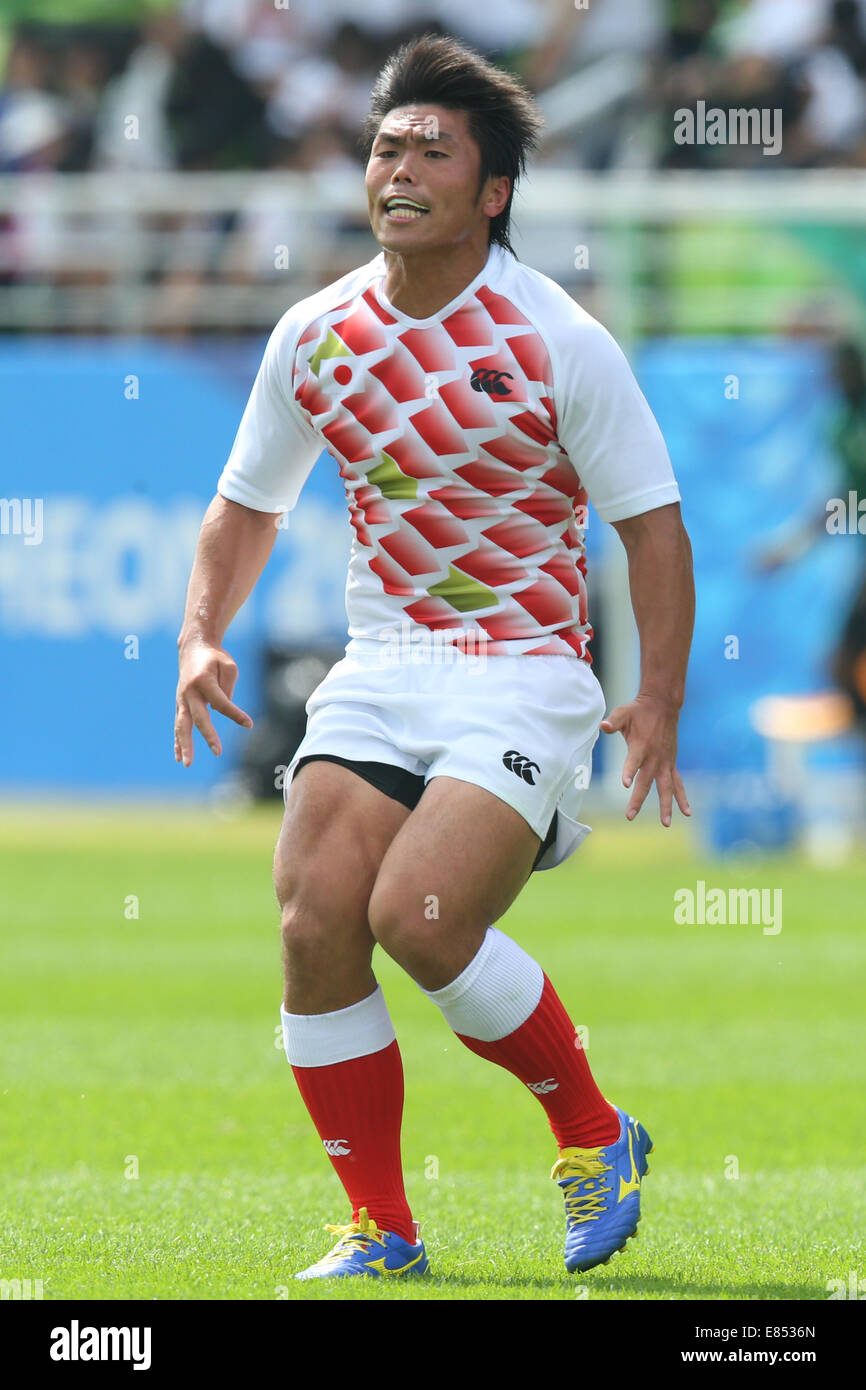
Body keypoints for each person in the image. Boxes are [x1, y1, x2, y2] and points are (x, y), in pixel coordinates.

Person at [175, 33, 694, 1281]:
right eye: (384, 145)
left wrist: (657, 696)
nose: (396, 167)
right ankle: (382, 1229)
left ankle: (593, 1135)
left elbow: (651, 527)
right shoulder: (316, 333)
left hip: (523, 667)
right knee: (311, 920)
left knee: (417, 917)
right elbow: (248, 503)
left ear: (492, 192)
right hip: (385, 660)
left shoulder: (555, 338)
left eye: (431, 150)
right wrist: (201, 631)